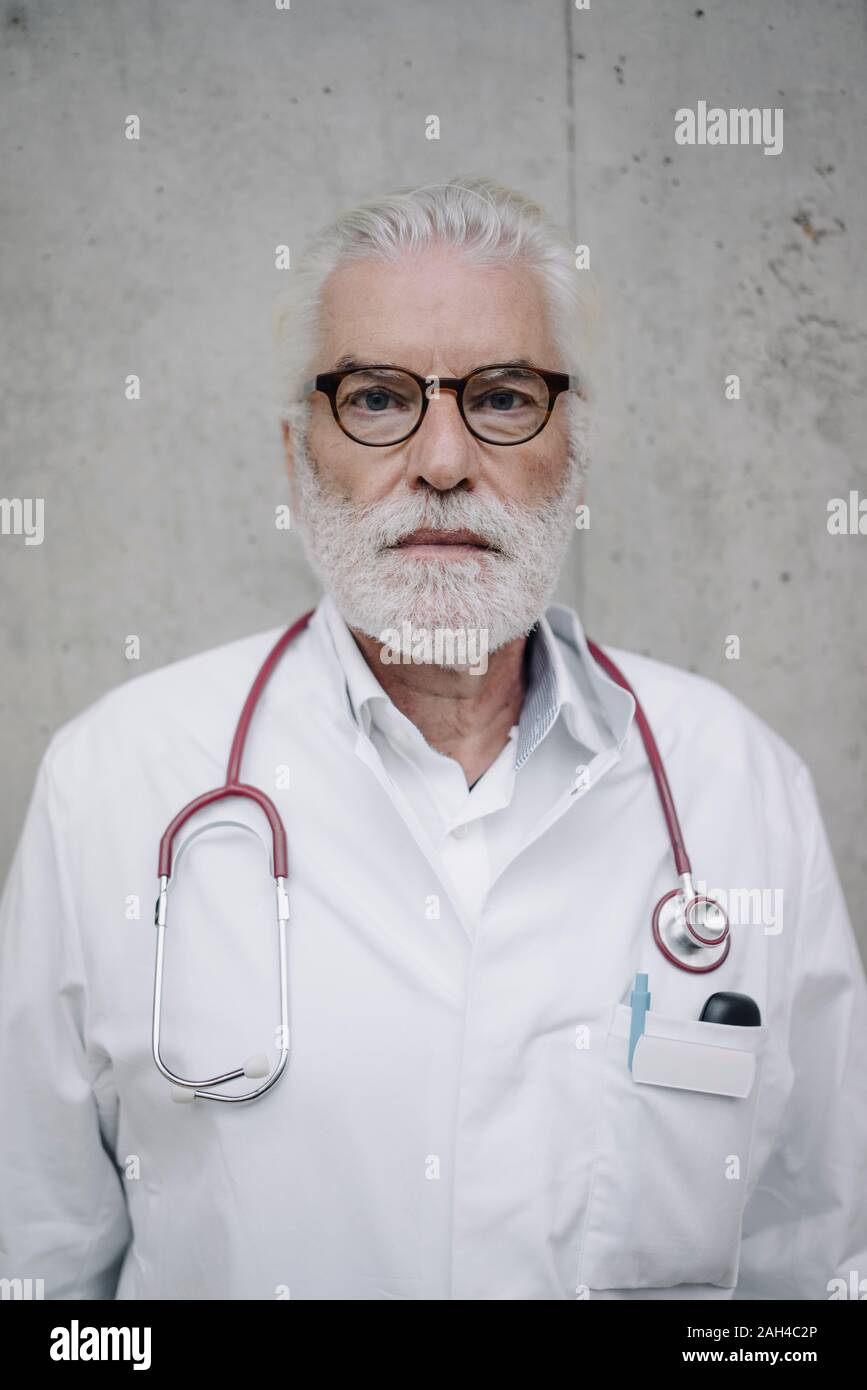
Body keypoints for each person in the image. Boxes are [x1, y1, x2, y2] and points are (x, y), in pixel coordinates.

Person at [1, 176, 865, 1301]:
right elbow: (37, 1270)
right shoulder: (113, 785)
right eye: (375, 398)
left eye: (503, 399)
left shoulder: (740, 785)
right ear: (297, 454)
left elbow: (817, 1273)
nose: (446, 461)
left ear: (576, 452)